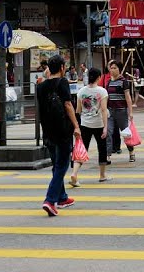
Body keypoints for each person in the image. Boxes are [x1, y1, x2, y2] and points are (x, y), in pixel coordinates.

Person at [35, 55, 80, 216]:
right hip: (62, 130)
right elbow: (68, 104)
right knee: (62, 165)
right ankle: (50, 199)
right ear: (62, 67)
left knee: (56, 164)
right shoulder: (63, 82)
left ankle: (61, 197)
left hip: (47, 130)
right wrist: (76, 126)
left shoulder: (40, 86)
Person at [71, 67, 110, 187]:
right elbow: (103, 110)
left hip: (84, 124)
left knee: (82, 149)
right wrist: (105, 127)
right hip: (98, 124)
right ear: (99, 77)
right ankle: (102, 175)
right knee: (102, 149)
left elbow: (78, 110)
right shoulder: (102, 91)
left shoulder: (81, 91)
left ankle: (74, 173)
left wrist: (76, 126)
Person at [104, 61, 136, 163]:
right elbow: (106, 97)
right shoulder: (108, 82)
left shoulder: (124, 81)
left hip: (121, 111)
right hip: (110, 112)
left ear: (119, 69)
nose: (112, 70)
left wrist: (130, 112)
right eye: (111, 68)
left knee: (126, 133)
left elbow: (128, 97)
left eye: (114, 68)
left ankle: (131, 152)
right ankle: (107, 155)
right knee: (108, 132)